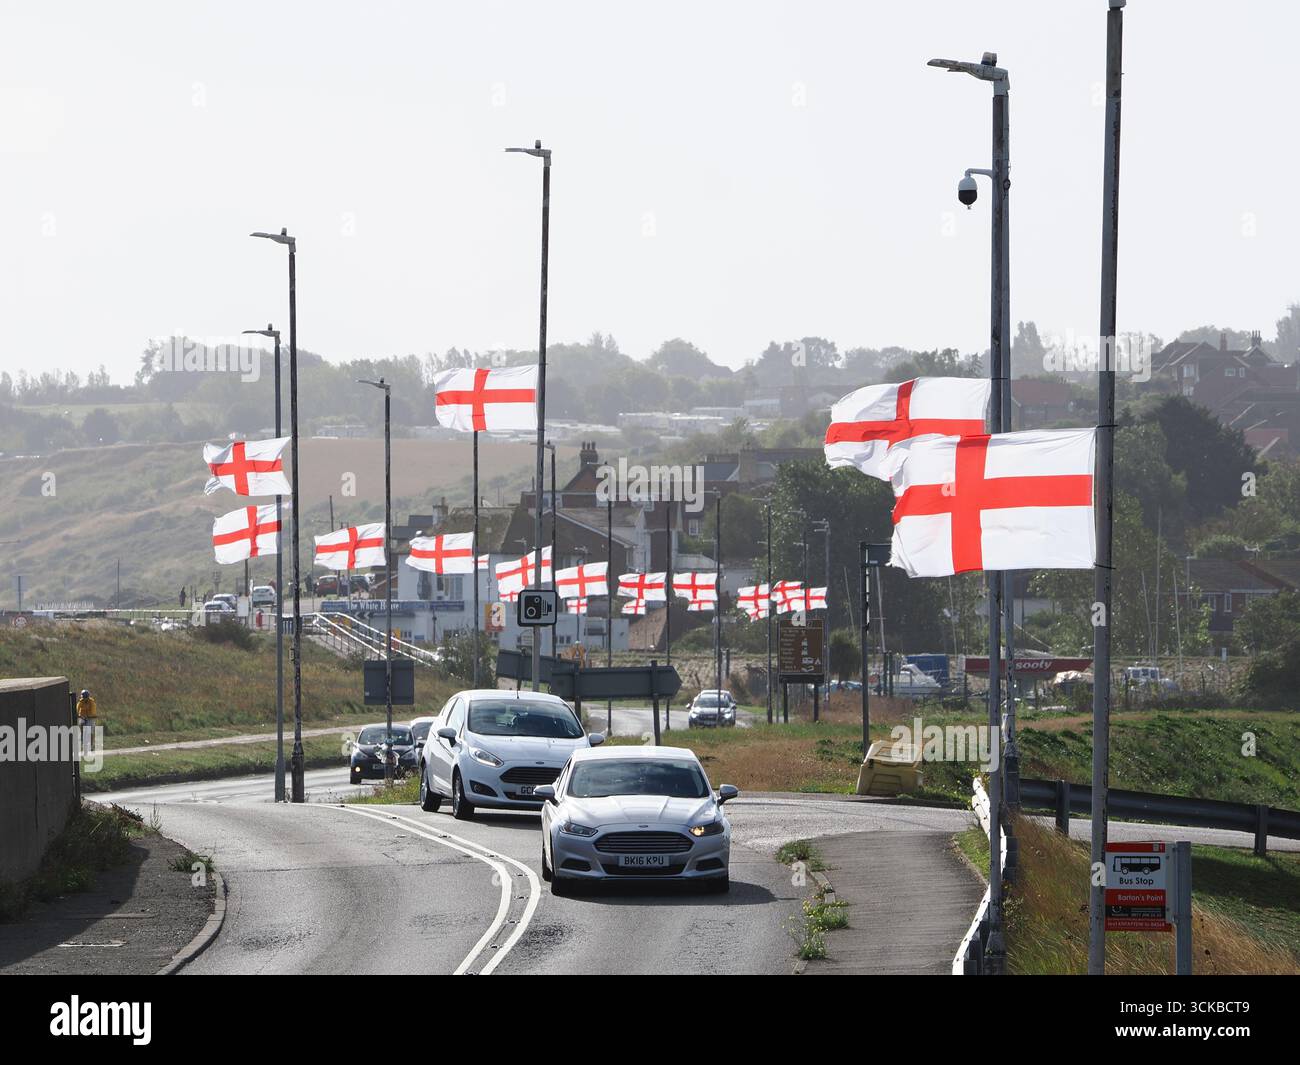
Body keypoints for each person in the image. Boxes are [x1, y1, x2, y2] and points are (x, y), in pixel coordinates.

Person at [75, 688, 98, 755]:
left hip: (90, 717)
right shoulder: (80, 701)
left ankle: (91, 745)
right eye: (83, 697)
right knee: (81, 728)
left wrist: (89, 716)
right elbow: (77, 709)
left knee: (90, 731)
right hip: (82, 717)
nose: (84, 699)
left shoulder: (91, 702)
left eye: (86, 697)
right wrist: (78, 714)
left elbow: (93, 711)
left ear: (88, 697)